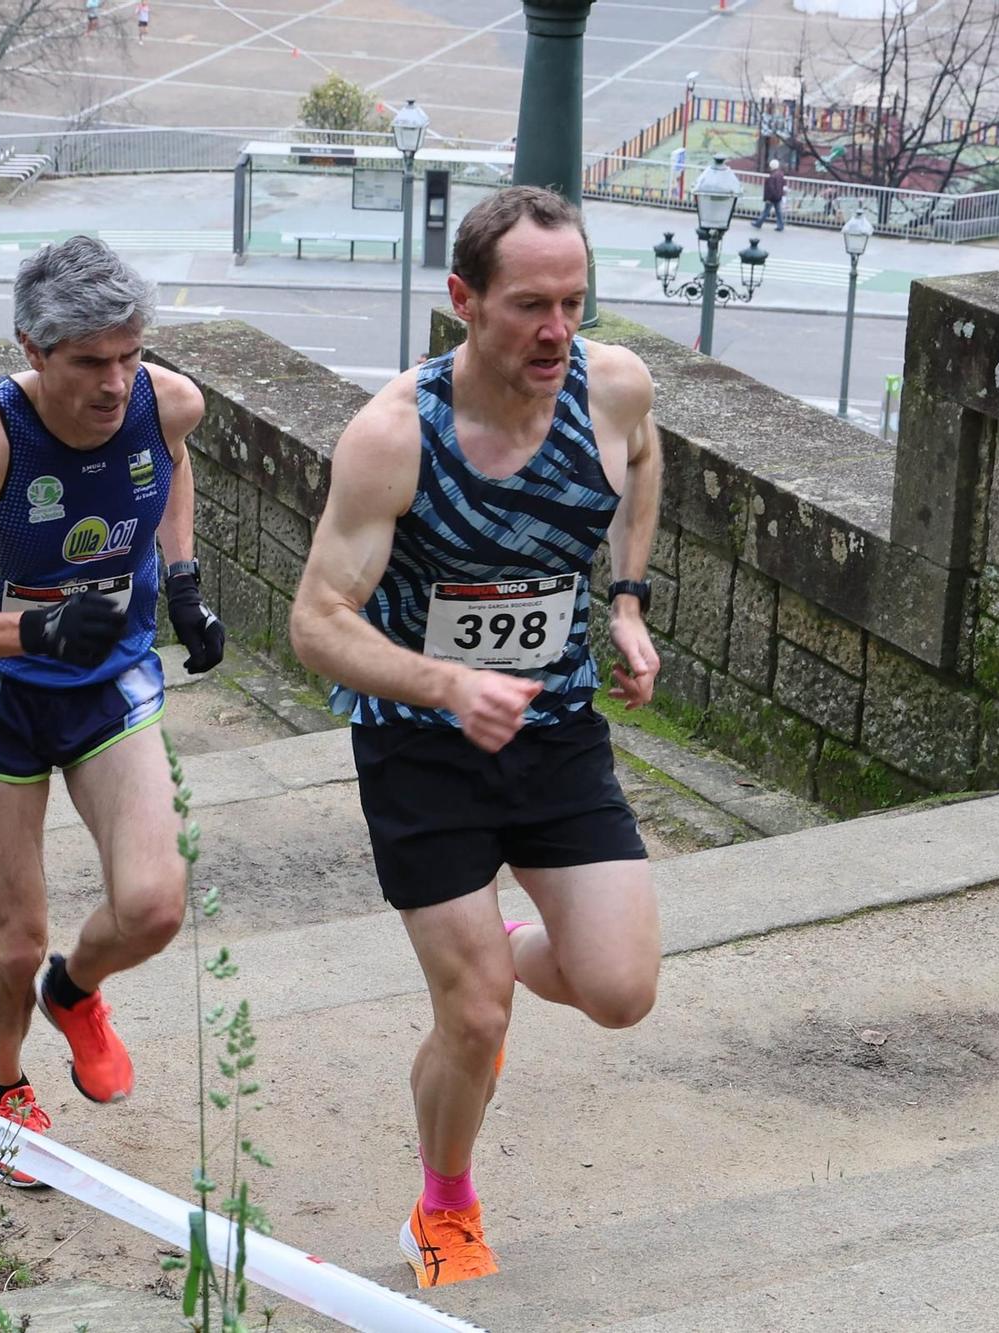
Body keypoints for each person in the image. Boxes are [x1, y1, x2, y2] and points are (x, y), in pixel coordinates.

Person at [289, 185, 664, 1290]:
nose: (556, 331)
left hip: (555, 733)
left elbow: (641, 461)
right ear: (462, 300)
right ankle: (442, 1203)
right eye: (527, 307)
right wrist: (447, 683)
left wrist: (629, 601)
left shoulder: (614, 387)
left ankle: (495, 946)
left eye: (573, 303)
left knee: (618, 991)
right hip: (422, 746)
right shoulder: (394, 435)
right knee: (472, 1014)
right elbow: (314, 622)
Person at [0, 235, 227, 1186]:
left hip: (110, 675)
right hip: (3, 694)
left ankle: (75, 989)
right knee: (12, 938)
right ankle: (3, 1088)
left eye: (129, 355)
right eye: (90, 363)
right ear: (34, 349)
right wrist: (29, 636)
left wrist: (186, 578)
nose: (117, 383)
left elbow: (169, 464)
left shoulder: (169, 400)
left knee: (155, 906)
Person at [756, 160, 786, 231]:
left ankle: (758, 223)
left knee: (766, 211)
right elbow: (783, 185)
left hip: (772, 197)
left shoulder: (772, 176)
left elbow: (770, 188)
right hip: (778, 196)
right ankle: (780, 225)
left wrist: (768, 198)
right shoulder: (781, 175)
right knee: (778, 212)